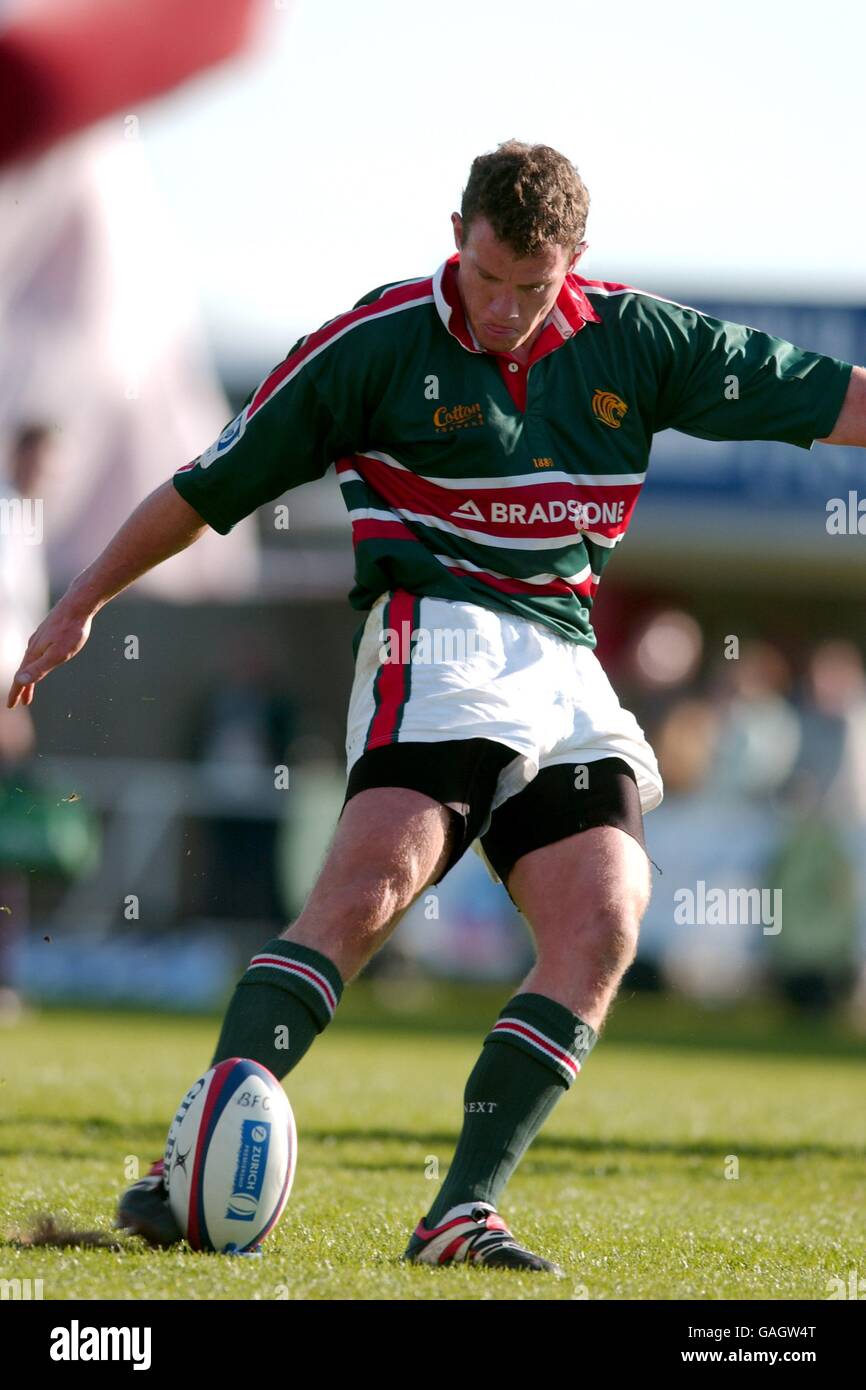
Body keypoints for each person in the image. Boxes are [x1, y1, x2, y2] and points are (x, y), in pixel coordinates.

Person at [6, 141, 865, 1275]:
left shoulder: (638, 340)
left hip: (565, 660)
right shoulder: (373, 345)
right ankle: (190, 1165)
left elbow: (833, 399)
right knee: (366, 895)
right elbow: (203, 486)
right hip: (437, 631)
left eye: (533, 285)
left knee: (604, 919)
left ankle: (458, 1211)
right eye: (487, 274)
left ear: (576, 263)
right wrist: (81, 600)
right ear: (454, 231)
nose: (505, 306)